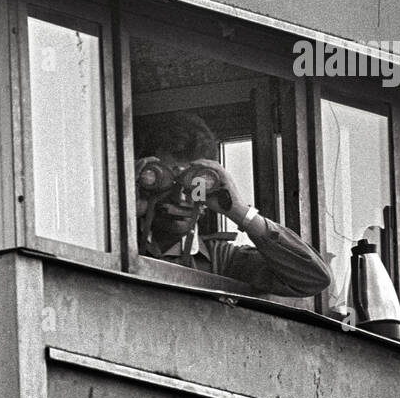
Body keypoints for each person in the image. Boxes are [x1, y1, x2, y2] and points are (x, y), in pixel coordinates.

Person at [133, 112, 331, 297]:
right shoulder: (114, 243)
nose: (181, 198)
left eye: (195, 186)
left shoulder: (224, 260)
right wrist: (128, 209)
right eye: (163, 182)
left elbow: (314, 278)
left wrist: (238, 210)